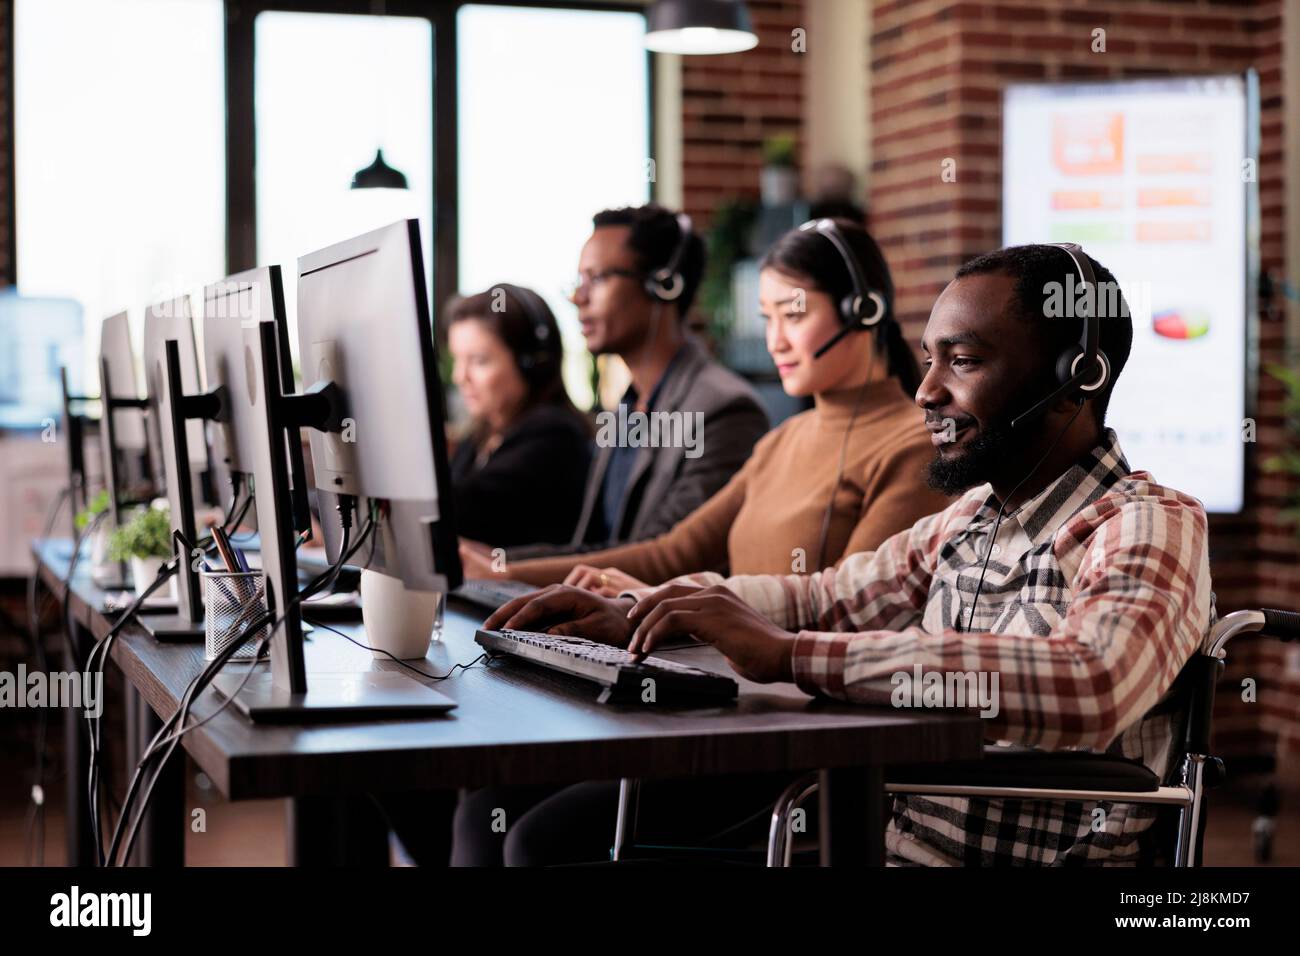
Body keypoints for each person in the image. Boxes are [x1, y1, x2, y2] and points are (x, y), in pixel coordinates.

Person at [483, 244, 1213, 866]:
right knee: (552, 836)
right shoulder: (973, 518)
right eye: (930, 360)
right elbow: (826, 595)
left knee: (556, 841)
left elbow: (1091, 684)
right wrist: (647, 610)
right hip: (885, 836)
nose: (927, 390)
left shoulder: (1149, 523)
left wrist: (794, 655)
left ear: (1074, 379)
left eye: (962, 361)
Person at [491, 219, 949, 597]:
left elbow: (848, 602)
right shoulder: (781, 440)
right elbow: (670, 554)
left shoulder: (913, 447)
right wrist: (501, 571)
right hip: (740, 683)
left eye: (794, 315)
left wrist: (673, 599)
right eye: (767, 319)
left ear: (862, 310)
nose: (776, 341)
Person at [459, 204, 768, 572]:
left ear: (663, 285)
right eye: (579, 281)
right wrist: (490, 559)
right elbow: (595, 547)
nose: (578, 297)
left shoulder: (723, 409)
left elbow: (666, 559)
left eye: (598, 278)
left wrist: (505, 572)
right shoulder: (627, 406)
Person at [444, 283, 591, 548]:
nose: (460, 377)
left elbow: (461, 513)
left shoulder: (554, 435)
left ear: (532, 362)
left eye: (478, 361)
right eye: (457, 360)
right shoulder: (480, 437)